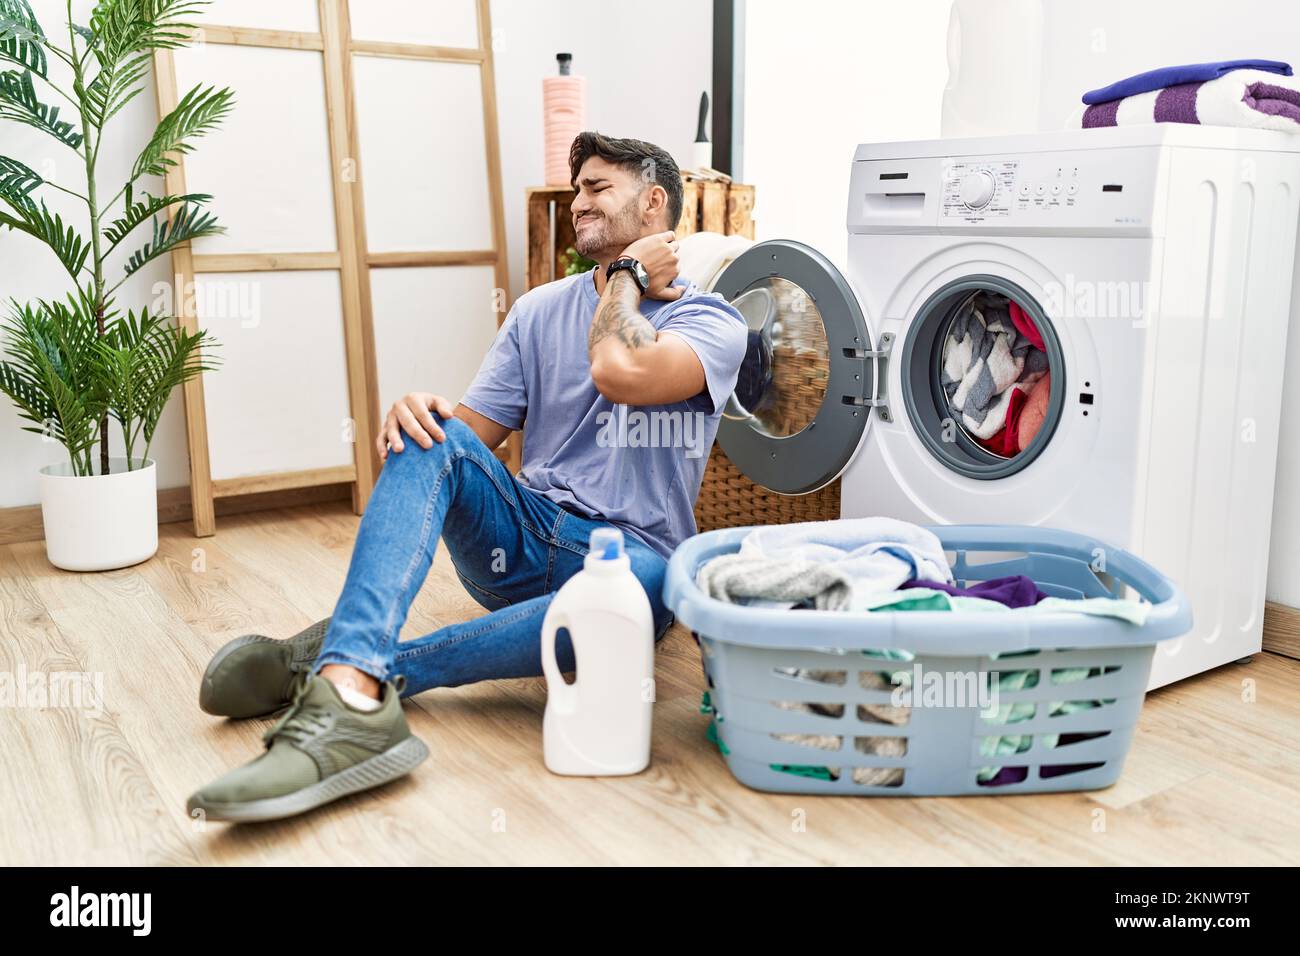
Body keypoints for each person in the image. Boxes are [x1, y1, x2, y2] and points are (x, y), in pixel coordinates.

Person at [186, 132, 749, 822]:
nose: (579, 203)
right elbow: (465, 444)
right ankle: (354, 680)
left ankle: (358, 672)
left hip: (626, 560)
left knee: (648, 588)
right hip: (518, 539)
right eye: (576, 190)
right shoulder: (539, 310)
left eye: (599, 188)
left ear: (654, 202)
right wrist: (419, 418)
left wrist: (629, 276)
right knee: (433, 432)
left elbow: (619, 370)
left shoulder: (710, 319)